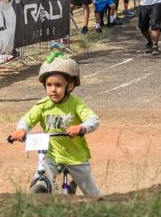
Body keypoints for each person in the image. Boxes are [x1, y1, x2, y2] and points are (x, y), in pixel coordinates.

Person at [9, 52, 102, 197]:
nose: (53, 89)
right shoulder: (42, 105)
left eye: (58, 85)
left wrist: (82, 127)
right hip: (51, 154)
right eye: (49, 85)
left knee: (93, 194)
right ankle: (41, 191)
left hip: (75, 157)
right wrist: (21, 130)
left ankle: (100, 209)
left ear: (70, 86)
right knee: (40, 179)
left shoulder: (75, 104)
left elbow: (93, 119)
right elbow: (27, 119)